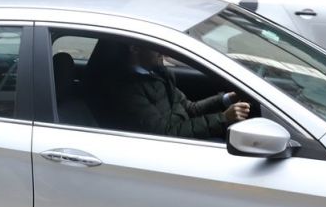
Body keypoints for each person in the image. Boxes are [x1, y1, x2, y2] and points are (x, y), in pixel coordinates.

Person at [102, 43, 251, 139]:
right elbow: (165, 135)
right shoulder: (126, 91)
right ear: (134, 48)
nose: (163, 53)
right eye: (156, 47)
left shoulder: (158, 74)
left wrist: (225, 99)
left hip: (186, 136)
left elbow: (189, 108)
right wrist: (223, 118)